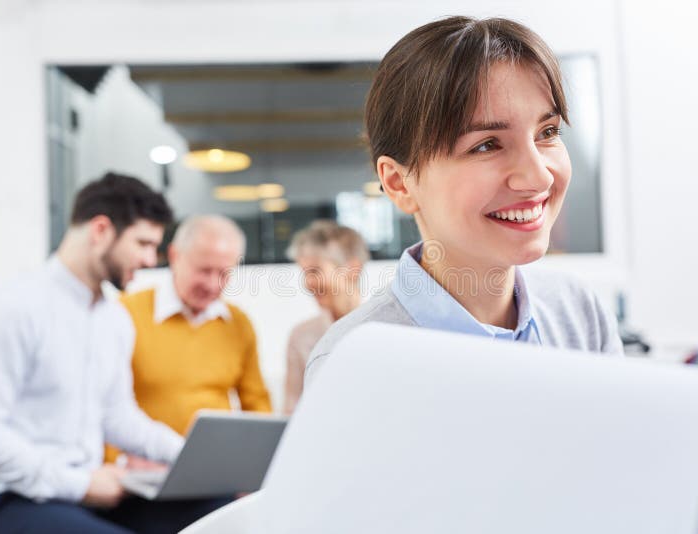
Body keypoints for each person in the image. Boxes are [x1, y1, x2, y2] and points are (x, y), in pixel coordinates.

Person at [305, 16, 623, 385]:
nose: (539, 176)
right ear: (399, 184)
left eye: (547, 132)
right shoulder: (351, 365)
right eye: (487, 145)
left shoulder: (579, 315)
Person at [0, 174, 227, 533]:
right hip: (6, 498)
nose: (150, 259)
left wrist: (189, 456)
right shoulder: (13, 307)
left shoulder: (114, 318)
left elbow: (117, 417)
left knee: (223, 511)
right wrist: (81, 484)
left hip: (86, 492)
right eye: (142, 243)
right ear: (101, 230)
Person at [106, 214, 271, 465]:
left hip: (214, 468)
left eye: (224, 274)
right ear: (174, 256)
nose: (212, 284)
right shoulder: (126, 314)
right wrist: (118, 461)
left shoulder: (238, 324)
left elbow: (257, 407)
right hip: (143, 468)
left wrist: (255, 465)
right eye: (204, 270)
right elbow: (102, 405)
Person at [283, 220, 369, 413]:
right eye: (305, 273)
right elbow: (291, 413)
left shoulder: (386, 330)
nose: (308, 283)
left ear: (352, 270)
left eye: (315, 271)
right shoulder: (301, 337)